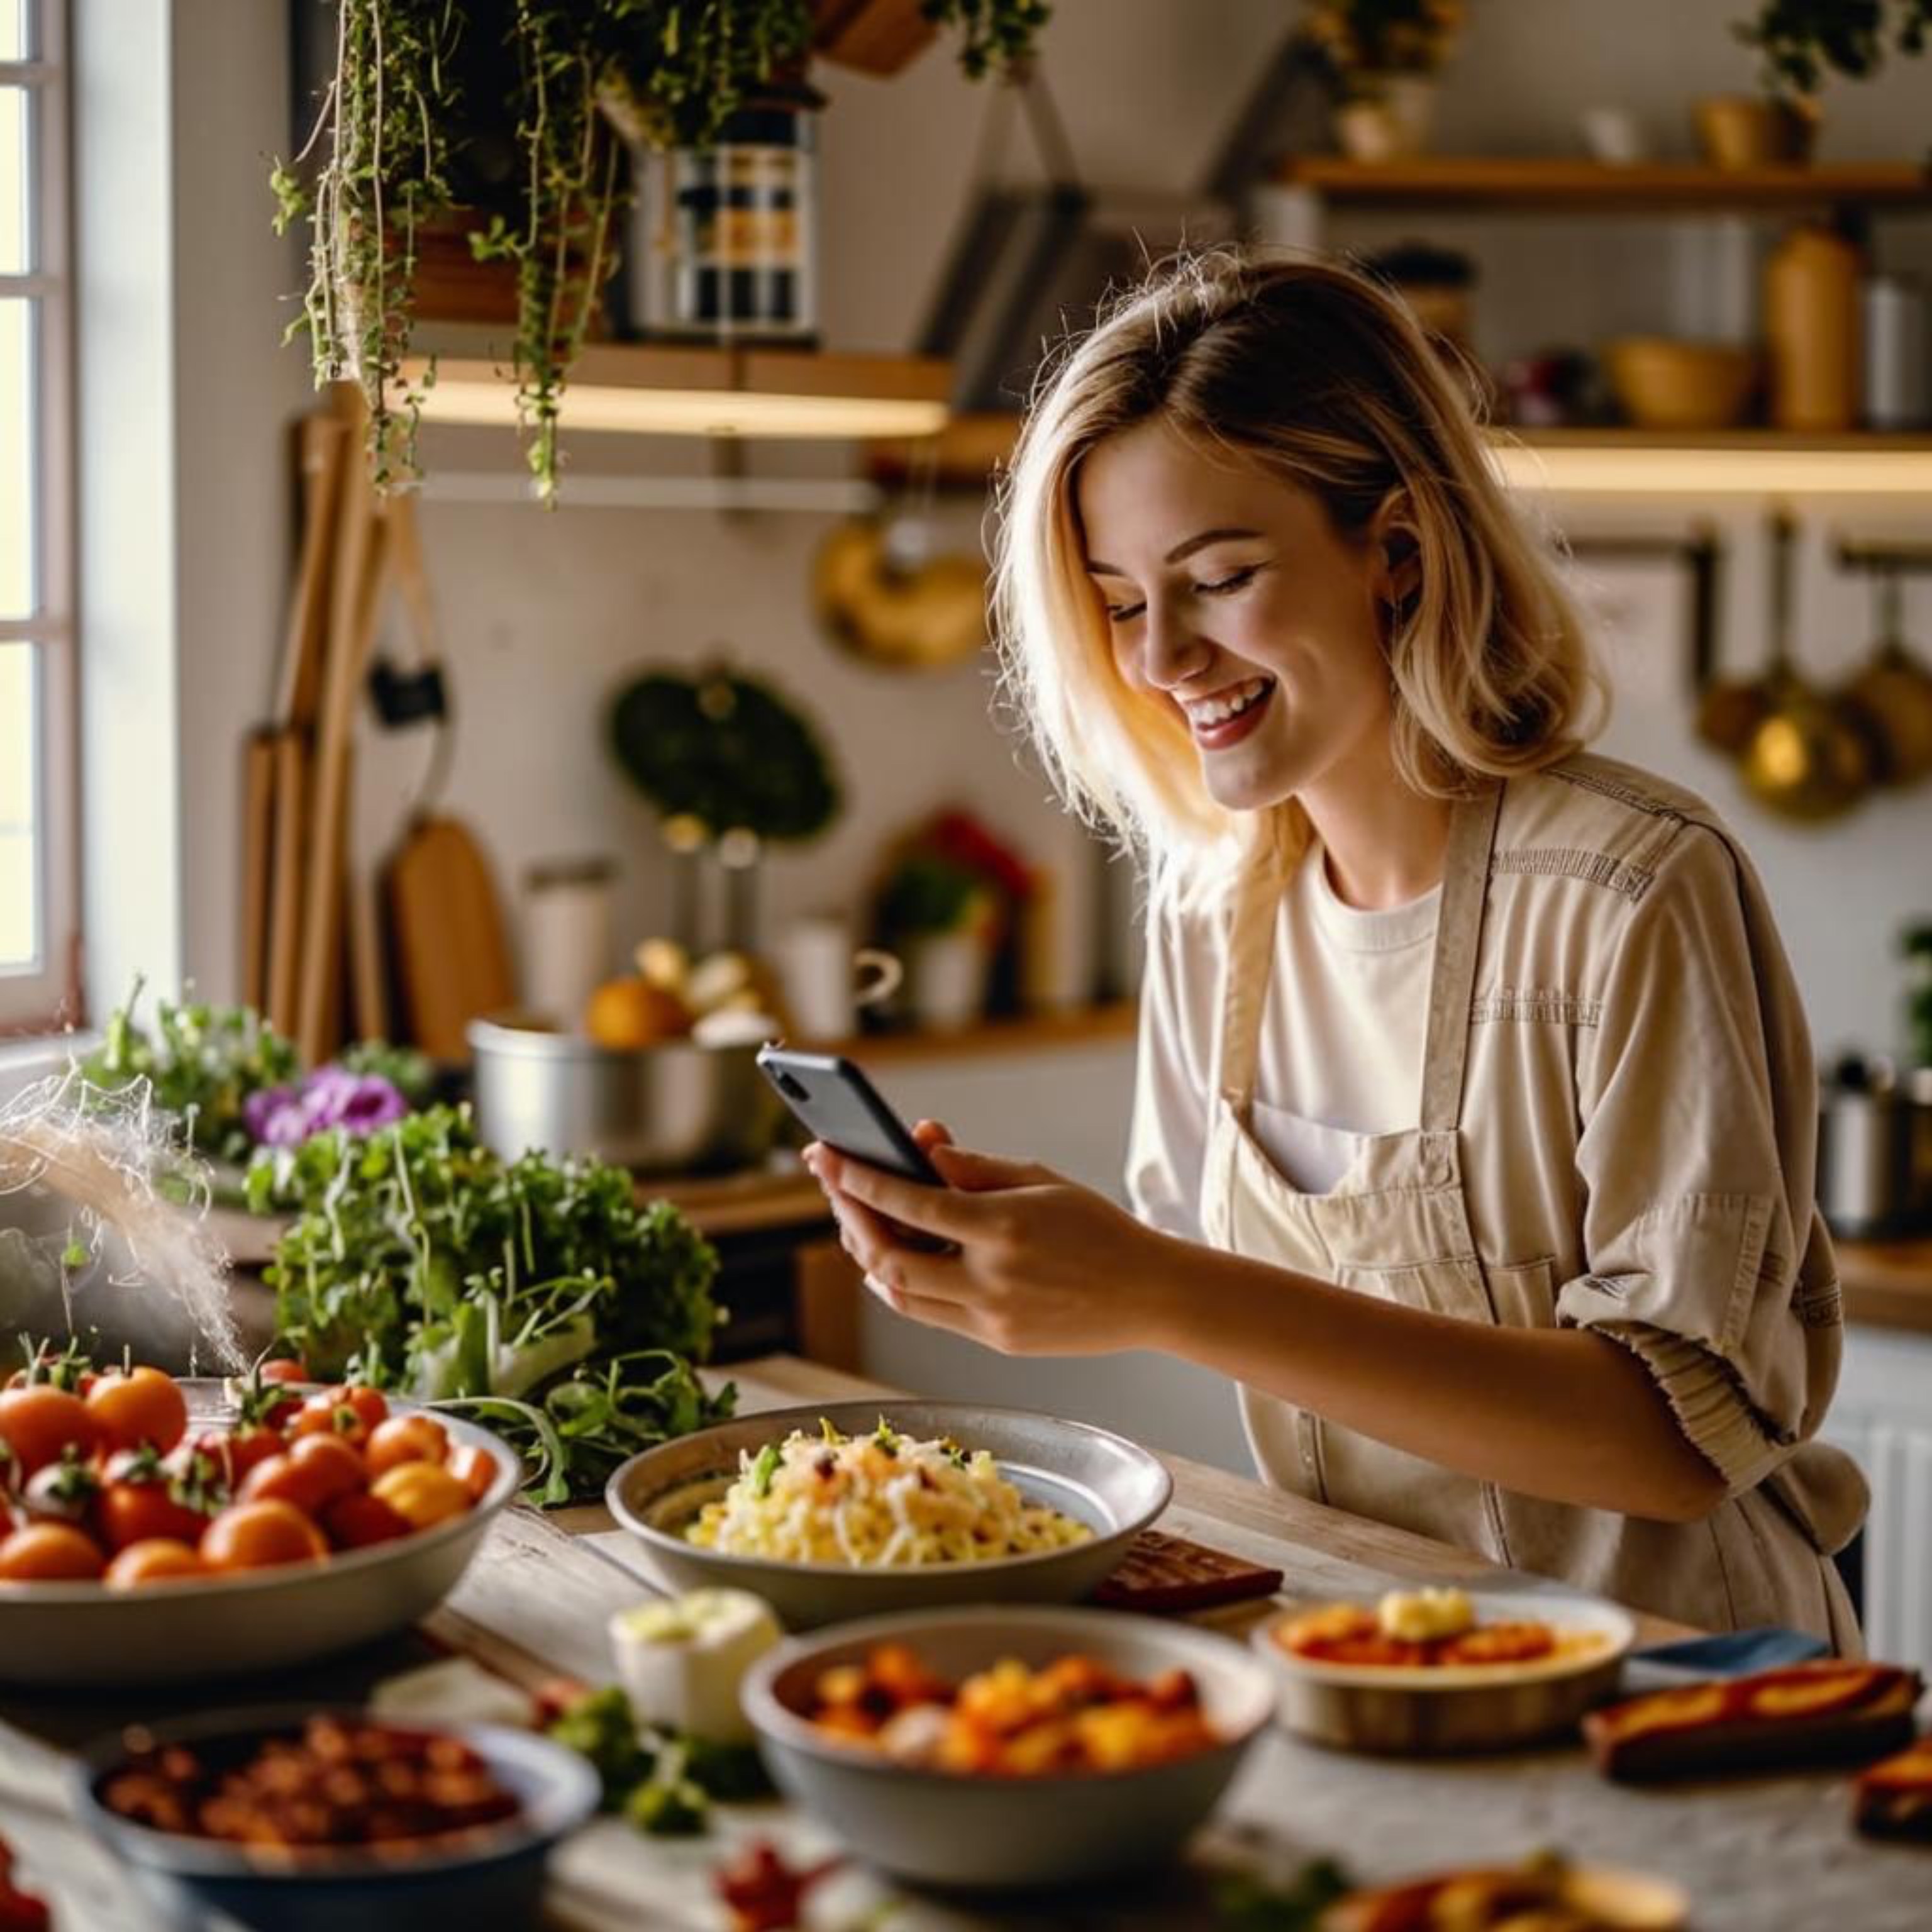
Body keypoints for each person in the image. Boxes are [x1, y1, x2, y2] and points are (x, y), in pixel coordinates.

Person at [804, 250, 1865, 1645]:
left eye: (1222, 578)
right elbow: (1243, 1312)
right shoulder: (1209, 909)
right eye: (1123, 603)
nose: (1162, 660)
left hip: (1687, 1692)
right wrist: (1067, 1263)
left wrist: (1156, 1288)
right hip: (1382, 1660)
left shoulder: (1631, 891)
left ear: (1400, 551)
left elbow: (1671, 1445)